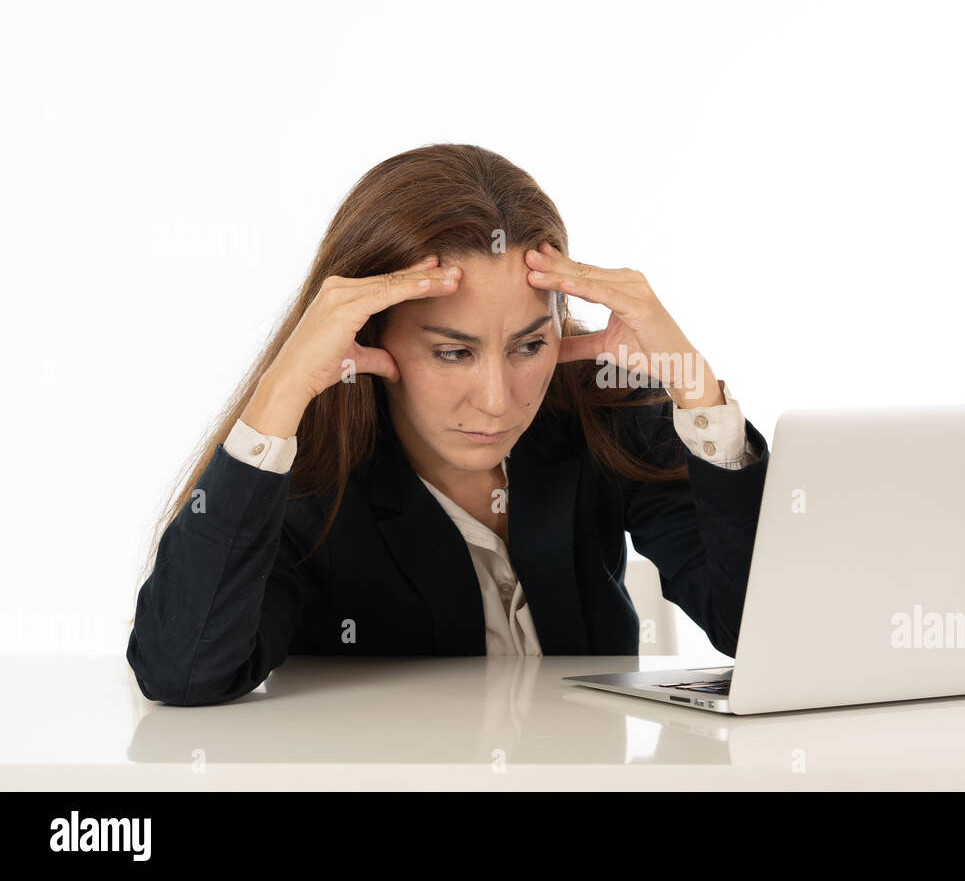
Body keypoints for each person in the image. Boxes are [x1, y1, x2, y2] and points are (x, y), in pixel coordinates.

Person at [126, 144, 770, 706]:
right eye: (453, 352)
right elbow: (185, 674)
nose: (496, 401)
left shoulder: (599, 413)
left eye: (528, 345)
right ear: (367, 334)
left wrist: (697, 390)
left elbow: (762, 634)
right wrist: (279, 396)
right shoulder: (306, 472)